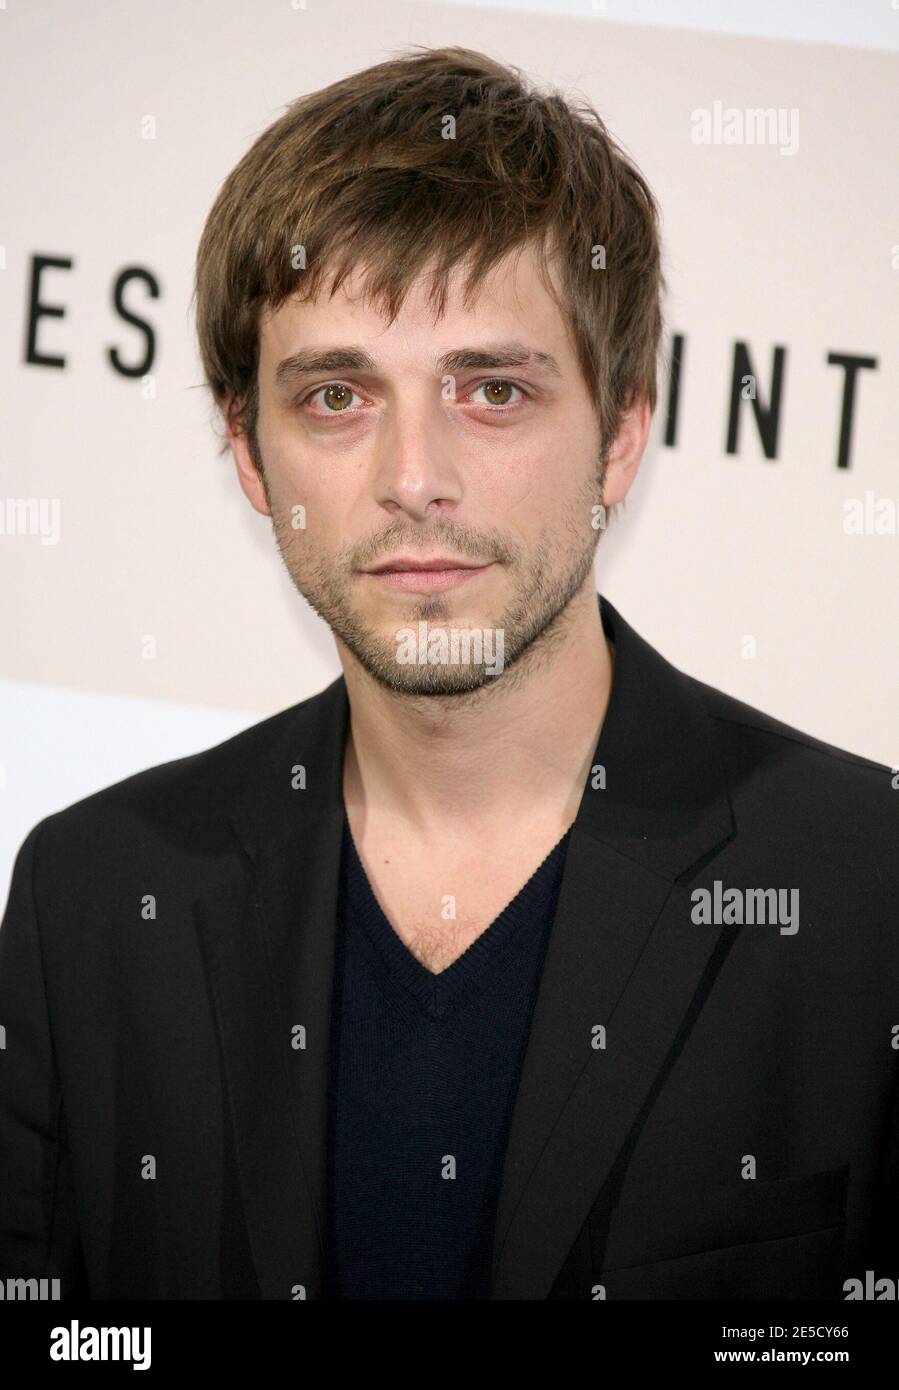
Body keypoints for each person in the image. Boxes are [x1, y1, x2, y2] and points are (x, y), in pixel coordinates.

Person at [1, 46, 896, 1302]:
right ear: (249, 458)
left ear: (622, 432)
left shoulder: (864, 892)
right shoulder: (91, 899)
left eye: (489, 390)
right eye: (333, 396)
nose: (412, 475)